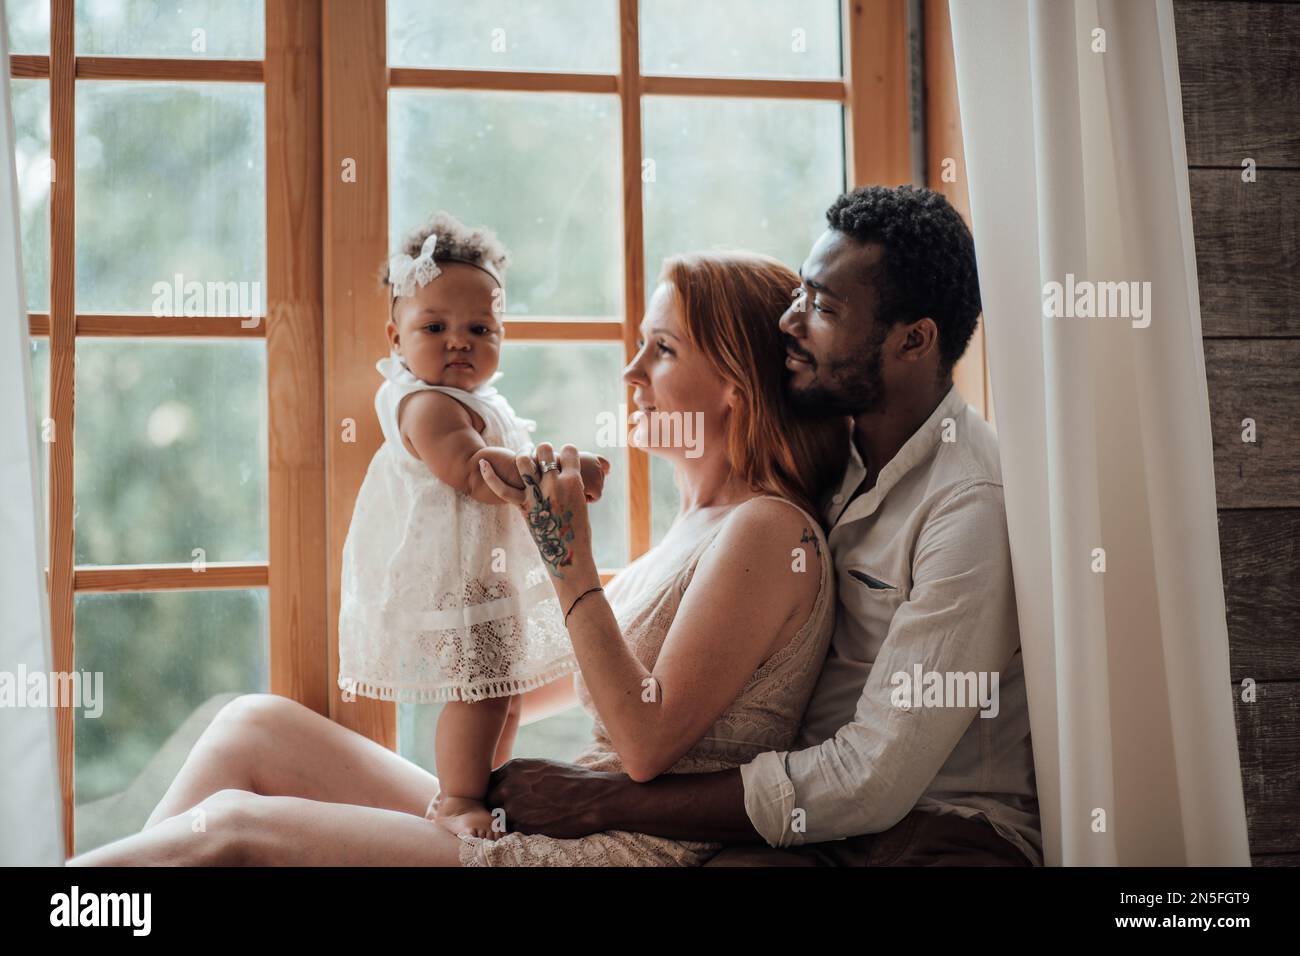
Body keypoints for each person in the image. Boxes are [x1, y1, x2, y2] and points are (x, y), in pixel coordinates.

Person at [66, 249, 848, 867]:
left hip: (616, 853)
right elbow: (556, 679)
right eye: (641, 345)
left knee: (234, 830)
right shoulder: (696, 525)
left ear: (737, 386)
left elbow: (642, 742)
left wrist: (565, 556)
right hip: (550, 829)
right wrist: (443, 602)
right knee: (254, 727)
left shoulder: (767, 531)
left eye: (663, 349)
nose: (631, 372)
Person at [485, 185, 1042, 867]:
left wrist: (602, 800)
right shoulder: (827, 466)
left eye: (824, 309)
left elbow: (873, 778)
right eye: (799, 295)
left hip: (937, 832)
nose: (790, 323)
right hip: (825, 823)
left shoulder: (969, 504)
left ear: (914, 340)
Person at [336, 211, 612, 839]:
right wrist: (556, 474)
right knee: (480, 691)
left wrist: (556, 469)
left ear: (502, 335)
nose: (458, 341)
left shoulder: (482, 402)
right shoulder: (425, 404)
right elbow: (472, 469)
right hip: (449, 579)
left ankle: (483, 786)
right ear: (395, 338)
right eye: (434, 326)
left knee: (502, 691)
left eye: (479, 328)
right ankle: (458, 797)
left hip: (484, 577)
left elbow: (496, 452)